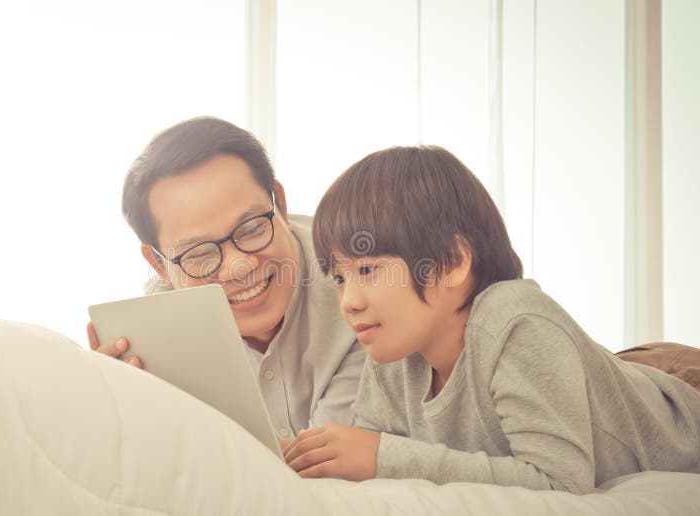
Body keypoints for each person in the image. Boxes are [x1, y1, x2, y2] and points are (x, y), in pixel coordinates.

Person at [281, 145, 700, 492]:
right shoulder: (393, 354)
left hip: (678, 382)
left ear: (451, 263)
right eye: (340, 278)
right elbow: (372, 458)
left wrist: (381, 457)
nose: (348, 302)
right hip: (603, 374)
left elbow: (560, 481)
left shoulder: (517, 321)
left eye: (368, 270)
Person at [88, 117, 365, 438]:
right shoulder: (149, 340)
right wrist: (118, 420)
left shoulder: (362, 280)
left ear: (280, 205)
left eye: (251, 229)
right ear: (160, 266)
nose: (239, 267)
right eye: (199, 254)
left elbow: (324, 458)